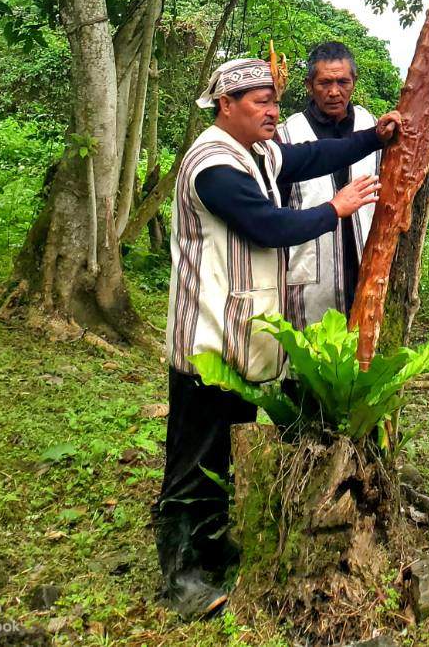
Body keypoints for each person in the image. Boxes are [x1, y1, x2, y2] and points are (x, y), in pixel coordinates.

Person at [157, 52, 401, 620]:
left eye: (273, 99)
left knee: (230, 448)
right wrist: (337, 209)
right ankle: (179, 575)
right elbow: (269, 226)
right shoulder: (213, 164)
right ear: (227, 105)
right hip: (207, 334)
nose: (273, 110)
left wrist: (375, 136)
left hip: (243, 333)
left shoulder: (258, 151)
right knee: (194, 456)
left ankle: (214, 550)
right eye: (261, 102)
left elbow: (314, 154)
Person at [275, 41, 379, 327]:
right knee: (308, 361)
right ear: (309, 85)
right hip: (309, 274)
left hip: (365, 266)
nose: (334, 91)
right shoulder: (287, 135)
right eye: (325, 83)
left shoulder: (372, 128)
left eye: (343, 82)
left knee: (363, 358)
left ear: (354, 82)